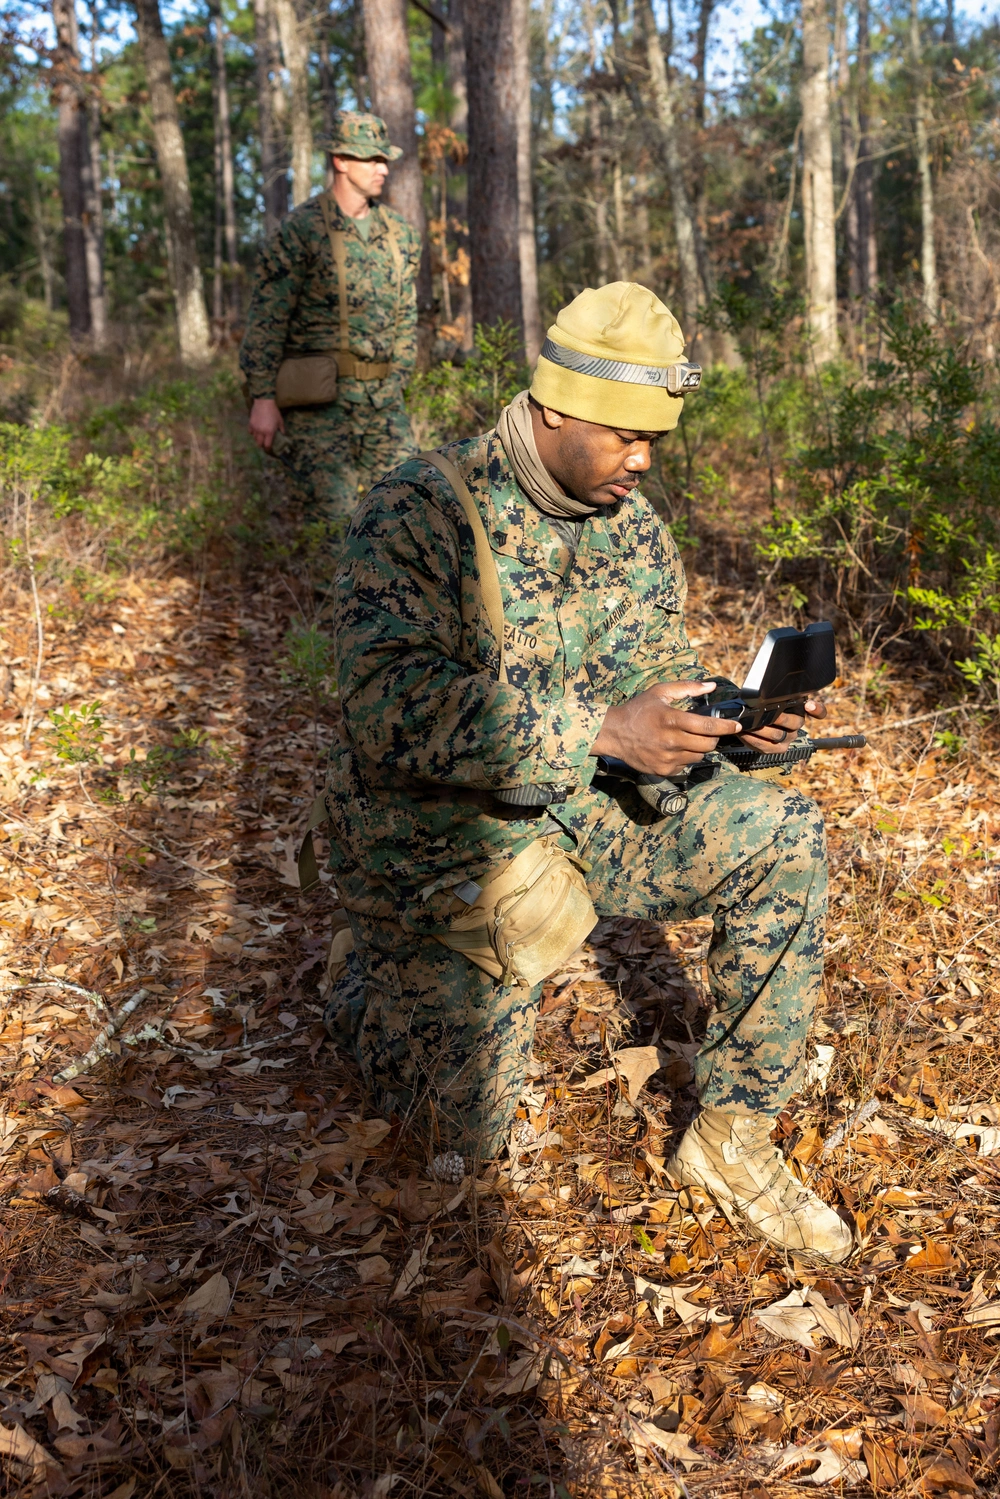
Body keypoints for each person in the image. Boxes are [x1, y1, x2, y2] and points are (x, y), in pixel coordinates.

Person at [321, 282, 852, 1264]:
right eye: (624, 434)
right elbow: (383, 706)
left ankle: (731, 1143)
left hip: (589, 804)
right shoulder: (420, 510)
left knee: (782, 833)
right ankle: (372, 977)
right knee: (457, 1137)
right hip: (450, 831)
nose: (642, 457)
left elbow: (653, 671)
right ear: (555, 405)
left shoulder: (634, 526)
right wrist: (601, 731)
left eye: (657, 437)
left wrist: (728, 726)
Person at [240, 111, 420, 552]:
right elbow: (267, 318)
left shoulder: (399, 235)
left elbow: (406, 321)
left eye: (385, 159)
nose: (383, 168)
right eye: (372, 159)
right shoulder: (302, 231)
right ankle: (328, 619)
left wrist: (396, 383)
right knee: (333, 532)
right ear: (340, 160)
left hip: (383, 405)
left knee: (405, 516)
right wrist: (263, 397)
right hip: (321, 408)